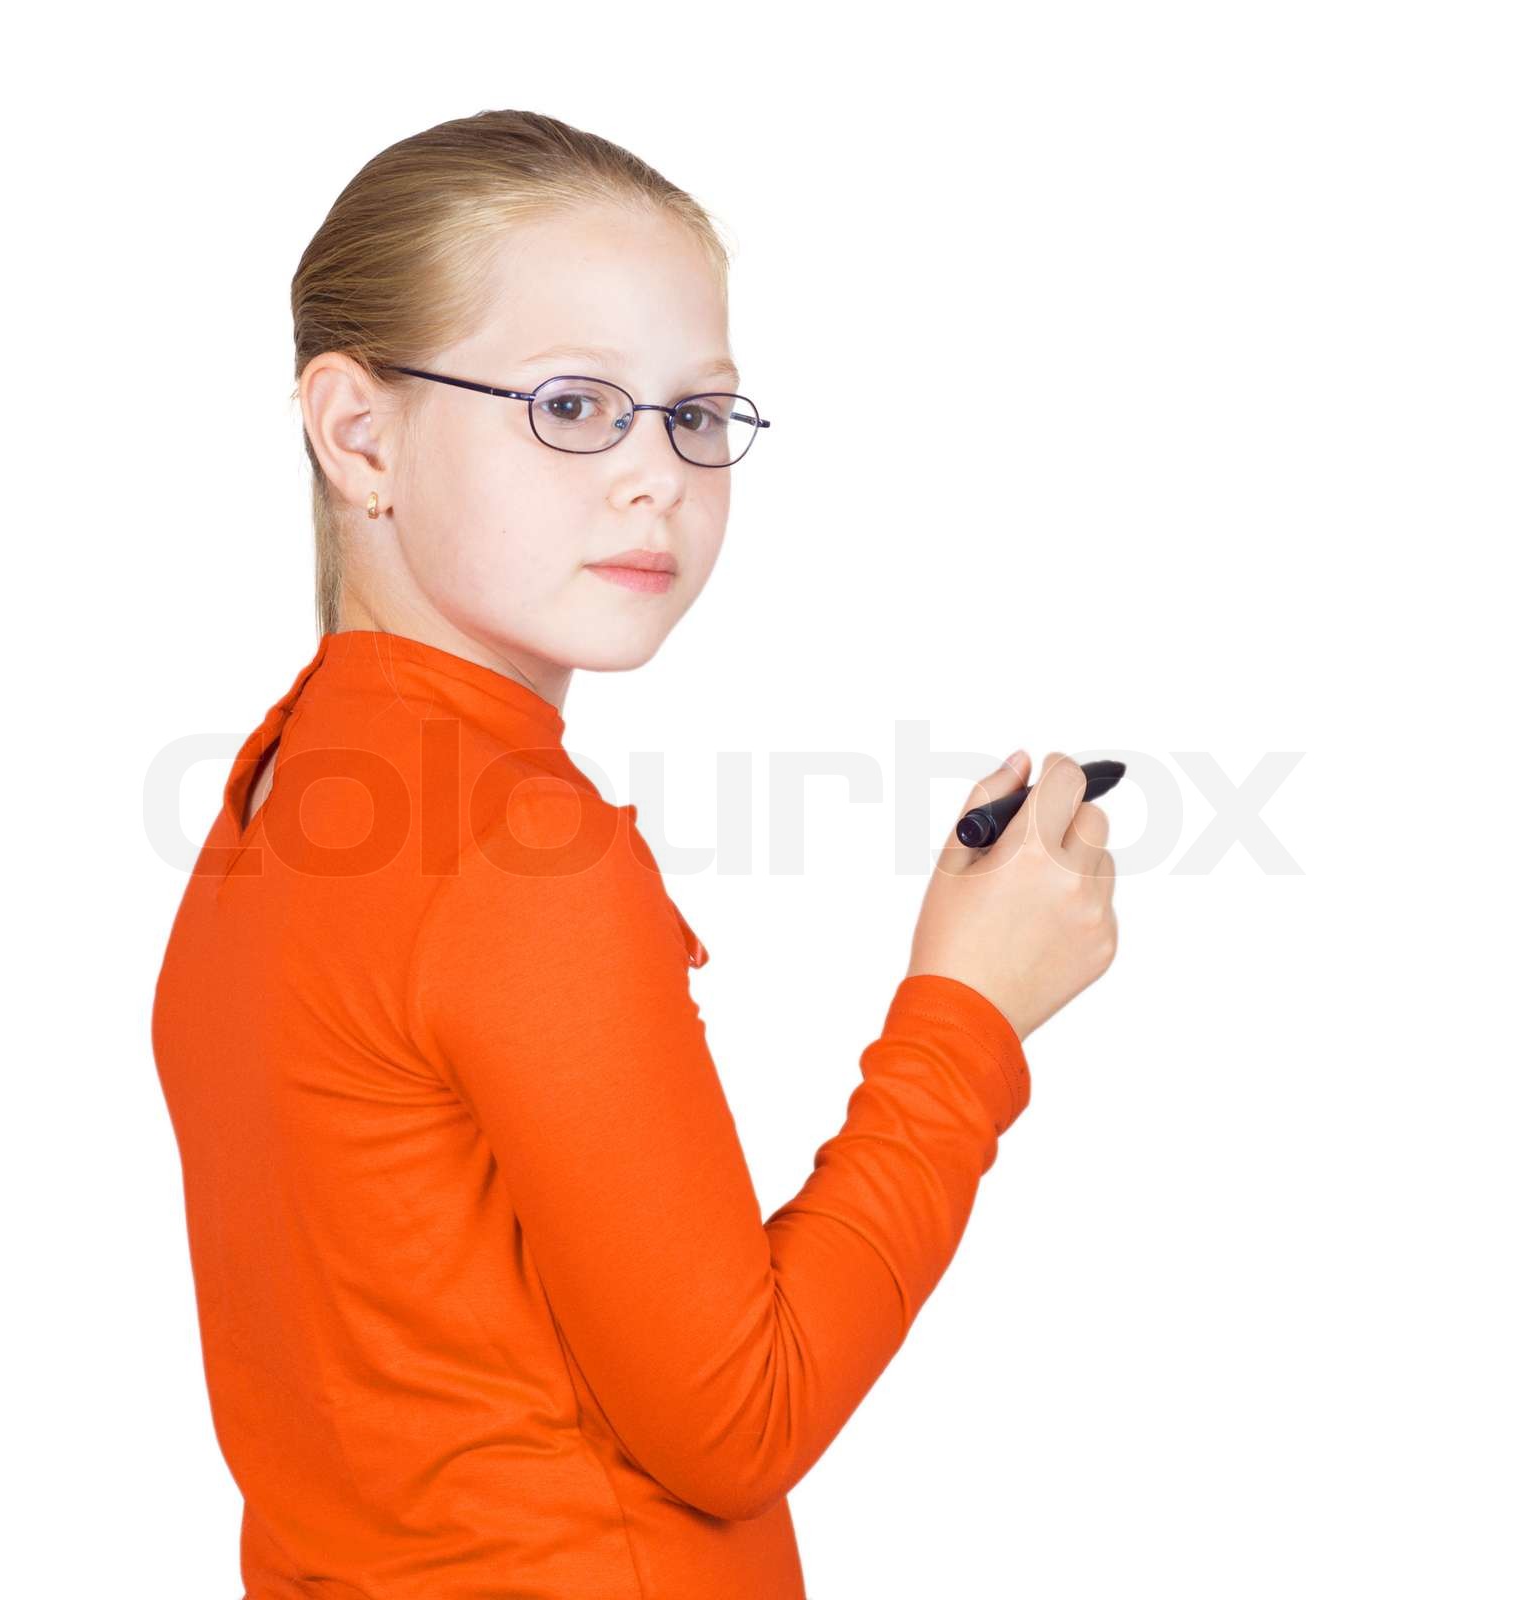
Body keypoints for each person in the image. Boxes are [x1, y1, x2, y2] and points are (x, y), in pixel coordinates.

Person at [150, 107, 1118, 1600]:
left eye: (698, 413)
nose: (657, 473)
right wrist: (967, 1012)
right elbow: (737, 1421)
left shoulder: (288, 779)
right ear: (359, 434)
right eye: (571, 406)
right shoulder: (515, 844)